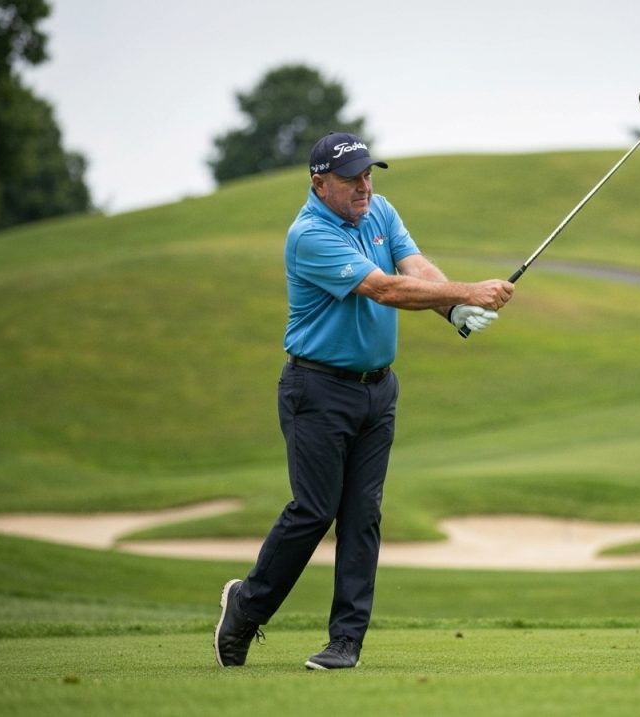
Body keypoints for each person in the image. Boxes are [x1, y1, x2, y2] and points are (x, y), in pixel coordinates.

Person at [213, 132, 514, 670]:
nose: (364, 186)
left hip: (378, 389)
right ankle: (245, 609)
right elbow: (384, 289)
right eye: (351, 178)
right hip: (317, 389)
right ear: (319, 184)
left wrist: (451, 311)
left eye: (368, 174)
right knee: (313, 511)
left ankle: (345, 641)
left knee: (363, 514)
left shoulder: (380, 211)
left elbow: (414, 267)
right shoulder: (309, 235)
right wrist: (468, 293)